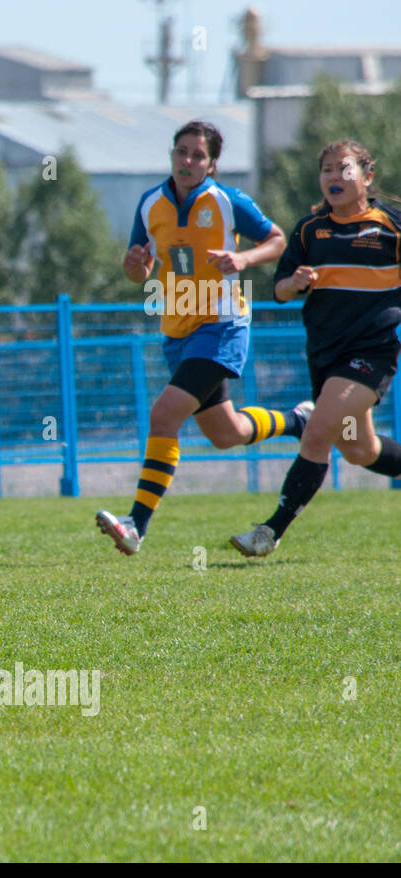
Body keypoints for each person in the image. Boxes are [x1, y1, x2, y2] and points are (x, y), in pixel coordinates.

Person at [95, 120, 310, 556]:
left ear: (212, 165)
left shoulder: (228, 201)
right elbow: (138, 270)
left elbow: (276, 239)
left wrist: (243, 257)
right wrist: (134, 266)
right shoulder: (149, 203)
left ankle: (136, 525)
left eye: (198, 155)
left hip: (221, 326)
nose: (187, 161)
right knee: (225, 433)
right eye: (181, 152)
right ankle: (297, 421)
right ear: (171, 155)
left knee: (163, 416)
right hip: (176, 333)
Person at [230, 140, 401, 556]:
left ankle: (269, 532)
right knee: (359, 449)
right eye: (326, 169)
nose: (333, 177)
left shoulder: (390, 225)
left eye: (343, 168)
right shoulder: (311, 229)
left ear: (366, 176)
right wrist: (295, 282)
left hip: (373, 352)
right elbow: (280, 290)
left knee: (318, 431)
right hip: (326, 355)